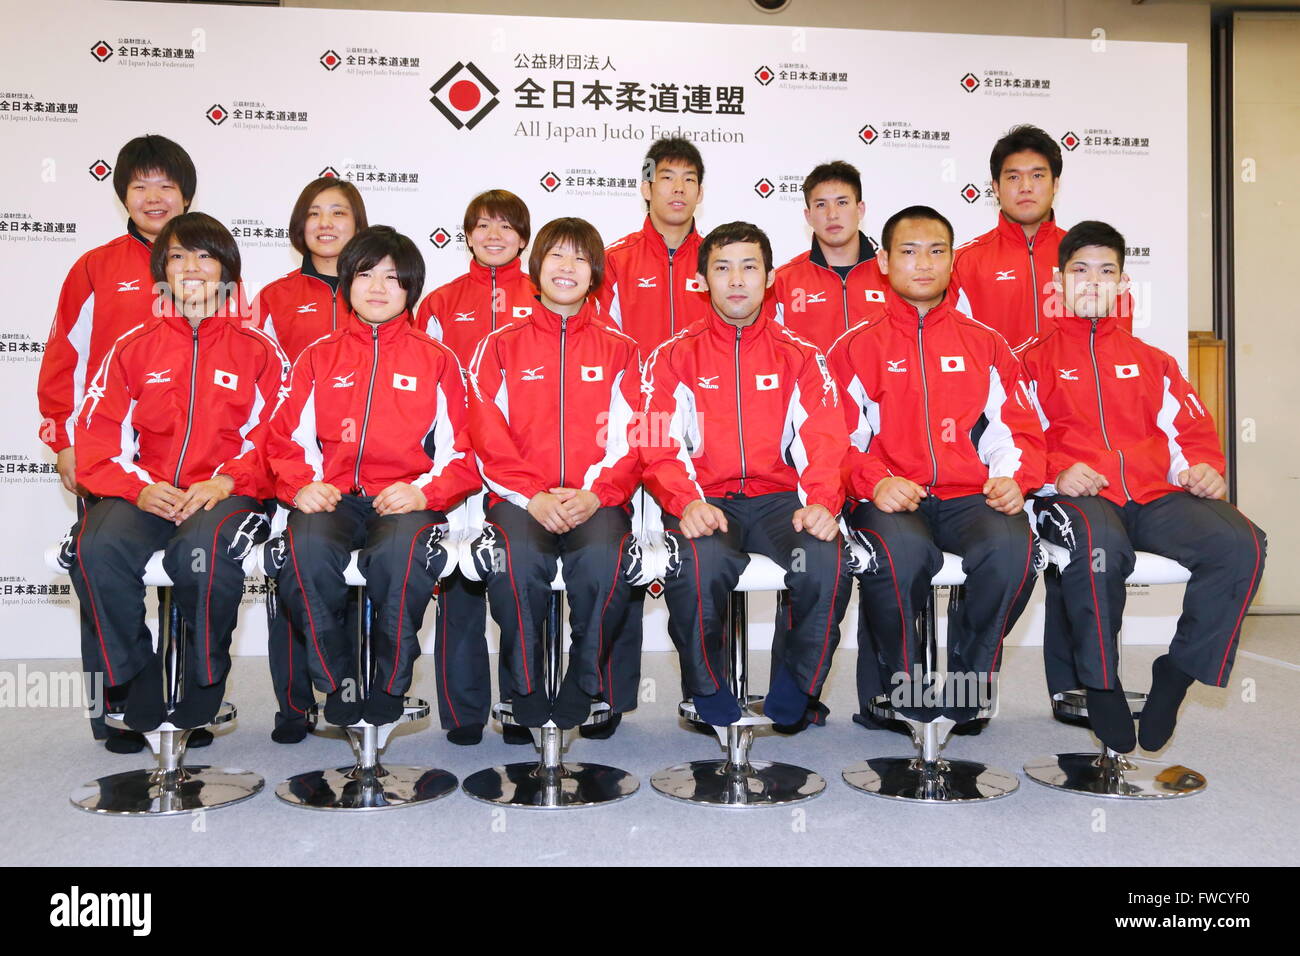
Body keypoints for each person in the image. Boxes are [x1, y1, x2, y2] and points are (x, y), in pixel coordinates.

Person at [1019, 221, 1266, 753]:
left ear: (1123, 284)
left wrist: (1201, 468)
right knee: (1100, 547)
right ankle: (1101, 684)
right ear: (1058, 282)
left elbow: (1192, 432)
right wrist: (1055, 472)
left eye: (1106, 271)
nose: (1093, 282)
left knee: (1240, 542)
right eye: (1080, 271)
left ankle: (1176, 673)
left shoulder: (1154, 362)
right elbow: (1016, 440)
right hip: (1077, 497)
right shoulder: (1030, 363)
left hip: (1154, 497)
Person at [826, 206, 1045, 731]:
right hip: (892, 498)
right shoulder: (855, 347)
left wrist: (1013, 479)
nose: (923, 263)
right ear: (882, 262)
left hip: (971, 495)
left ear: (953, 262)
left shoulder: (987, 344)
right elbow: (833, 440)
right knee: (900, 555)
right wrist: (875, 480)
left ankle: (967, 689)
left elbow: (1015, 429)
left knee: (1014, 548)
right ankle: (905, 692)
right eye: (908, 251)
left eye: (937, 251)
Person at [69, 213, 286, 733]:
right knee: (94, 548)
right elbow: (98, 439)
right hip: (145, 491)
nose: (192, 268)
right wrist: (139, 490)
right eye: (178, 256)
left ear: (228, 273)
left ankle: (203, 677)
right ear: (160, 271)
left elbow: (276, 436)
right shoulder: (130, 348)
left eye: (205, 256)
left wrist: (226, 481)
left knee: (203, 556)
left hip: (226, 492)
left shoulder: (258, 348)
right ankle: (136, 676)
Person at [262, 226, 479, 727]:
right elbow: (284, 439)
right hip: (333, 498)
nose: (377, 287)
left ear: (410, 290)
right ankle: (338, 681)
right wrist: (302, 485)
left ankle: (388, 682)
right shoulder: (316, 357)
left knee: (399, 560)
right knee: (304, 553)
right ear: (346, 282)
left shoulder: (438, 359)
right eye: (364, 274)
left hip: (404, 499)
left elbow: (464, 452)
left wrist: (422, 490)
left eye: (392, 277)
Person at [640, 221, 850, 732]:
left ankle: (796, 687)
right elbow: (655, 441)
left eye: (749, 267)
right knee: (694, 566)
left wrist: (822, 501)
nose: (737, 279)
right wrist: (685, 501)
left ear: (770, 277)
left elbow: (825, 438)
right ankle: (709, 689)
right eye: (723, 267)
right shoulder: (670, 357)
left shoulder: (802, 356)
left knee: (823, 561)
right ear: (703, 281)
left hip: (782, 503)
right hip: (709, 501)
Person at [38, 134, 199, 751]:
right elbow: (64, 359)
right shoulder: (95, 268)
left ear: (186, 193)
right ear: (122, 196)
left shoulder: (208, 266)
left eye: (166, 186)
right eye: (140, 186)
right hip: (109, 459)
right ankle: (121, 705)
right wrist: (64, 441)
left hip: (188, 463)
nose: (154, 197)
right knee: (102, 567)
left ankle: (184, 707)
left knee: (190, 574)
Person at [467, 217, 642, 729]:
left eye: (580, 258)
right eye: (556, 256)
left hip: (596, 501)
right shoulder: (498, 345)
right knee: (515, 563)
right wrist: (531, 496)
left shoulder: (622, 349)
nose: (567, 268)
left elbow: (635, 435)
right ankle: (523, 684)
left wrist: (595, 494)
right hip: (520, 502)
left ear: (595, 275)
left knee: (604, 563)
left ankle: (584, 677)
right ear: (535, 267)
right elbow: (485, 432)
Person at [413, 189, 537, 745]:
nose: (494, 235)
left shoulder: (545, 295)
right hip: (456, 464)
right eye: (483, 225)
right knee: (459, 582)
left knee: (516, 584)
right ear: (467, 234)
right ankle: (463, 715)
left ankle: (518, 706)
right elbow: (418, 388)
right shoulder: (440, 302)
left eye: (506, 227)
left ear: (523, 238)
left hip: (520, 468)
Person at [597, 138, 710, 734]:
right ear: (646, 186)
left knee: (696, 554)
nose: (678, 189)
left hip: (704, 424)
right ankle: (612, 696)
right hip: (630, 422)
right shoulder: (615, 260)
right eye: (667, 178)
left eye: (690, 179)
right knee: (624, 553)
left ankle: (703, 693)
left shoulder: (718, 258)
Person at [251, 176, 368, 744]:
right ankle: (294, 706)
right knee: (294, 574)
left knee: (357, 582)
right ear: (299, 226)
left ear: (358, 223)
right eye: (315, 213)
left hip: (366, 474)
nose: (326, 223)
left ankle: (353, 695)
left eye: (339, 212)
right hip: (295, 468)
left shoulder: (379, 289)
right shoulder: (274, 298)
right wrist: (289, 473)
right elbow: (256, 387)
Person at [952, 124, 1132, 351]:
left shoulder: (1089, 257)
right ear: (996, 187)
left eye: (1037, 175)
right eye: (1013, 177)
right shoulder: (964, 261)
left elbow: (1120, 343)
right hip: (999, 386)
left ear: (1055, 183)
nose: (1026, 187)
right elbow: (950, 344)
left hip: (1074, 386)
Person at [772, 160, 888, 352]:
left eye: (842, 203)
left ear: (860, 210)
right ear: (808, 216)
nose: (832, 214)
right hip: (813, 383)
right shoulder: (783, 282)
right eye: (821, 205)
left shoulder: (892, 278)